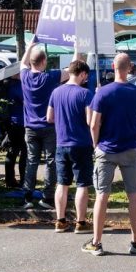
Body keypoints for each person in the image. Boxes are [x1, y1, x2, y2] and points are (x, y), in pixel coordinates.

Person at [85, 53, 136, 256]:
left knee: (102, 195)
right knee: (134, 196)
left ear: (113, 66)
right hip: (130, 147)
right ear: (130, 67)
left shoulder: (102, 93)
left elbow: (94, 123)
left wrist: (95, 144)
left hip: (106, 148)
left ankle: (96, 242)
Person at [21, 41, 77, 210]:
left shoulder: (24, 76)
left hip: (30, 127)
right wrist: (76, 49)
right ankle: (47, 196)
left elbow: (23, 63)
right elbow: (71, 71)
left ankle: (27, 197)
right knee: (51, 162)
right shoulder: (50, 77)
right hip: (49, 126)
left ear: (32, 62)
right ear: (44, 62)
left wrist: (30, 45)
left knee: (31, 161)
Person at [47, 60, 94, 234]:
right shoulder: (85, 94)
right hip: (81, 143)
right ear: (82, 74)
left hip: (61, 143)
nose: (85, 79)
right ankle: (80, 223)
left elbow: (49, 117)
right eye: (85, 76)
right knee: (82, 184)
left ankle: (60, 221)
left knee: (62, 183)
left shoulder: (56, 92)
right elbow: (90, 121)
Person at [0, 75, 26, 189]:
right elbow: (25, 100)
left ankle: (10, 180)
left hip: (10, 122)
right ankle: (24, 180)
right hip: (20, 122)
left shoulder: (6, 85)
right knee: (24, 153)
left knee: (12, 152)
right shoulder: (18, 86)